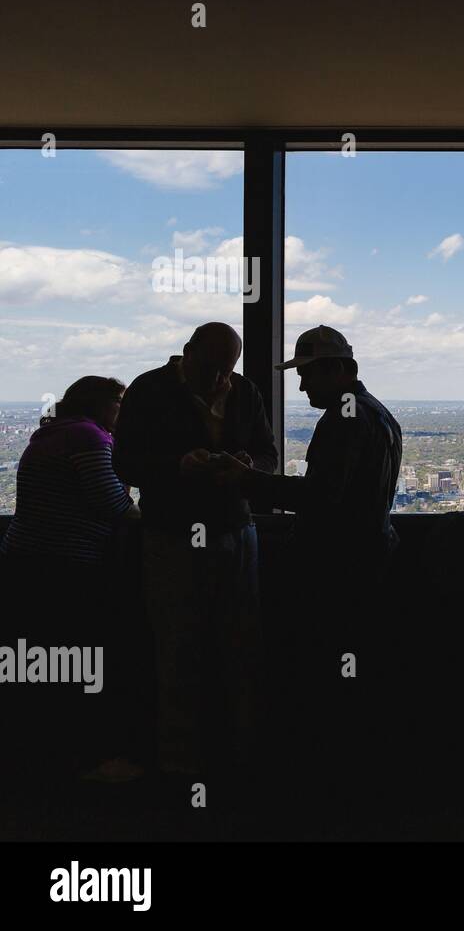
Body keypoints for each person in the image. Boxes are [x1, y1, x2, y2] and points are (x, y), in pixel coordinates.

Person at [213, 325, 401, 806]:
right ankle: (351, 779)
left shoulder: (344, 418)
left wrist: (245, 479)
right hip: (367, 559)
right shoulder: (378, 414)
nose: (301, 387)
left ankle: (317, 783)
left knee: (320, 674)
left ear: (338, 370)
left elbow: (321, 498)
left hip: (333, 567)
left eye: (309, 374)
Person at [113, 323, 277, 784]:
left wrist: (248, 467)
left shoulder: (243, 389)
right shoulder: (148, 389)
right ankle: (185, 763)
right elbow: (123, 462)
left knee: (237, 642)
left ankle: (232, 756)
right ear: (186, 353)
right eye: (212, 369)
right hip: (179, 532)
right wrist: (176, 467)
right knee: (178, 644)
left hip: (228, 528)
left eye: (228, 370)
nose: (221, 380)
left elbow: (268, 452)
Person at [1, 376, 143, 785]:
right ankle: (83, 762)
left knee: (43, 664)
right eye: (119, 403)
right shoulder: (87, 436)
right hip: (63, 565)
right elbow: (112, 503)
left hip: (28, 558)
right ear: (100, 405)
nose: (124, 412)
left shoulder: (52, 434)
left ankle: (38, 758)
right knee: (79, 662)